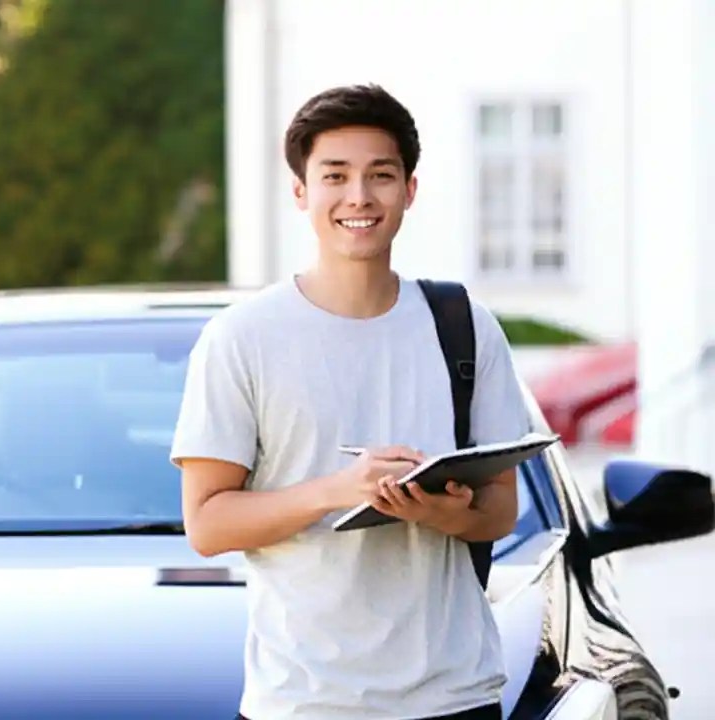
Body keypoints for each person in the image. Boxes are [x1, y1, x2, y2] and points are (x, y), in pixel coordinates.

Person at [170, 84, 530, 720]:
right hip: (304, 702)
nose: (359, 196)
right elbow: (207, 525)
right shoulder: (242, 337)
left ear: (409, 190)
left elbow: (501, 508)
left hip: (455, 696)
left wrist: (440, 514)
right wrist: (339, 490)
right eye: (334, 176)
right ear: (301, 191)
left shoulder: (465, 325)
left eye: (380, 175)